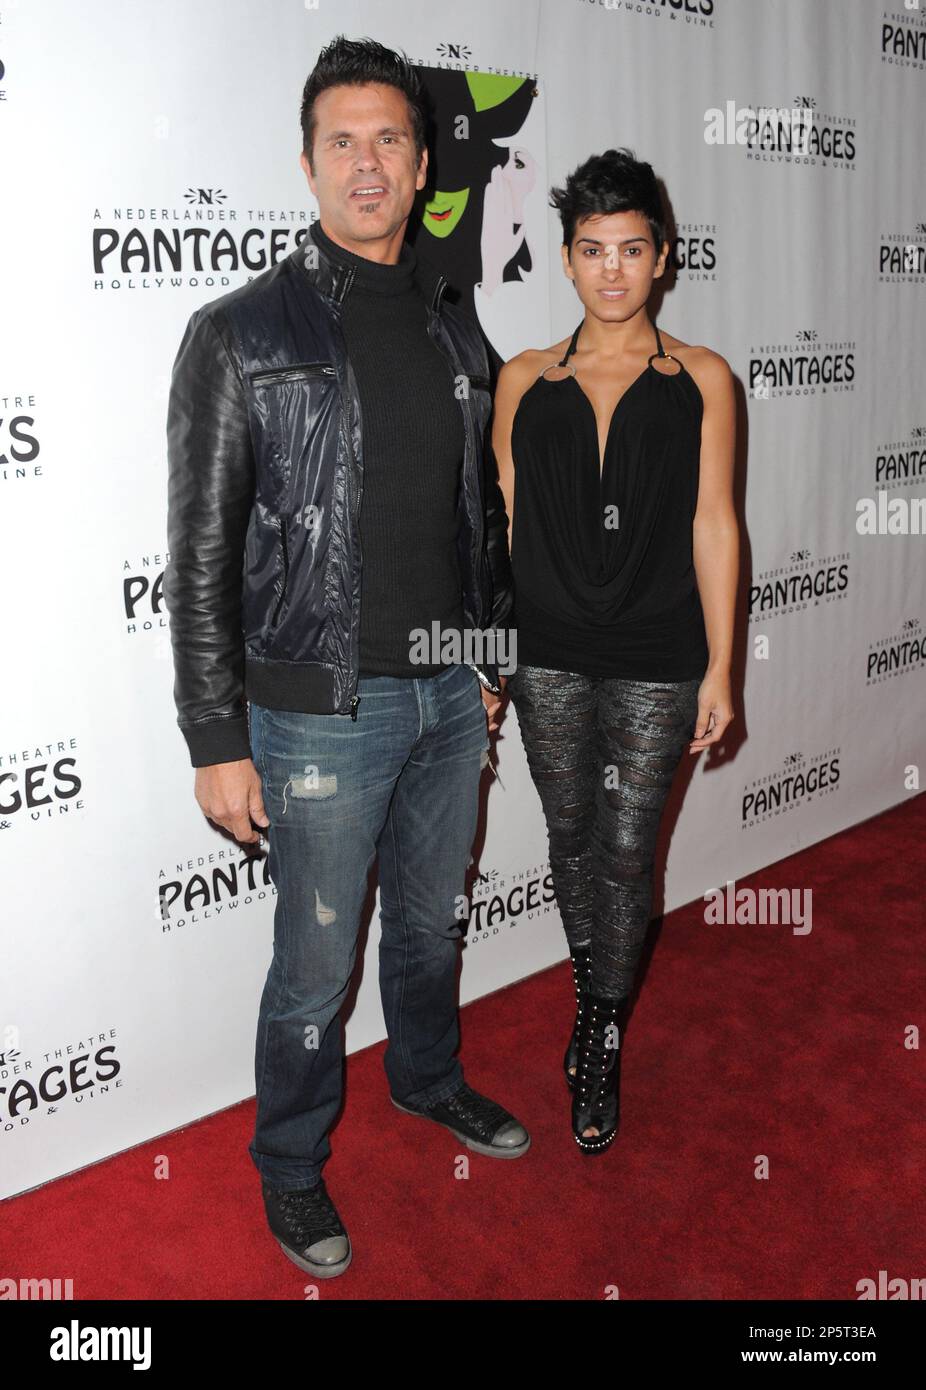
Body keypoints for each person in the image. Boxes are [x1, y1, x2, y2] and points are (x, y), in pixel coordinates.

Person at [164, 35, 526, 1281]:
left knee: (429, 924)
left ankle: (425, 1076)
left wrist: (487, 659)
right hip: (320, 708)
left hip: (447, 694)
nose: (366, 164)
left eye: (388, 140)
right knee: (315, 968)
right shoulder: (236, 333)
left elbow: (476, 516)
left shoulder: (450, 322)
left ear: (422, 165)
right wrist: (216, 738)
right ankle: (288, 1161)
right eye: (342, 143)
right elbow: (200, 554)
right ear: (307, 164)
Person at [491, 148, 737, 1154]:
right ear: (565, 259)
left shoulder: (702, 379)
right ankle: (598, 999)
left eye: (631, 249)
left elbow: (714, 522)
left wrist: (721, 666)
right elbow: (502, 529)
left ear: (663, 257)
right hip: (545, 651)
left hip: (656, 653)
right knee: (569, 838)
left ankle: (597, 1027)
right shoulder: (520, 379)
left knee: (627, 849)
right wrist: (489, 657)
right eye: (592, 249)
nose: (612, 270)